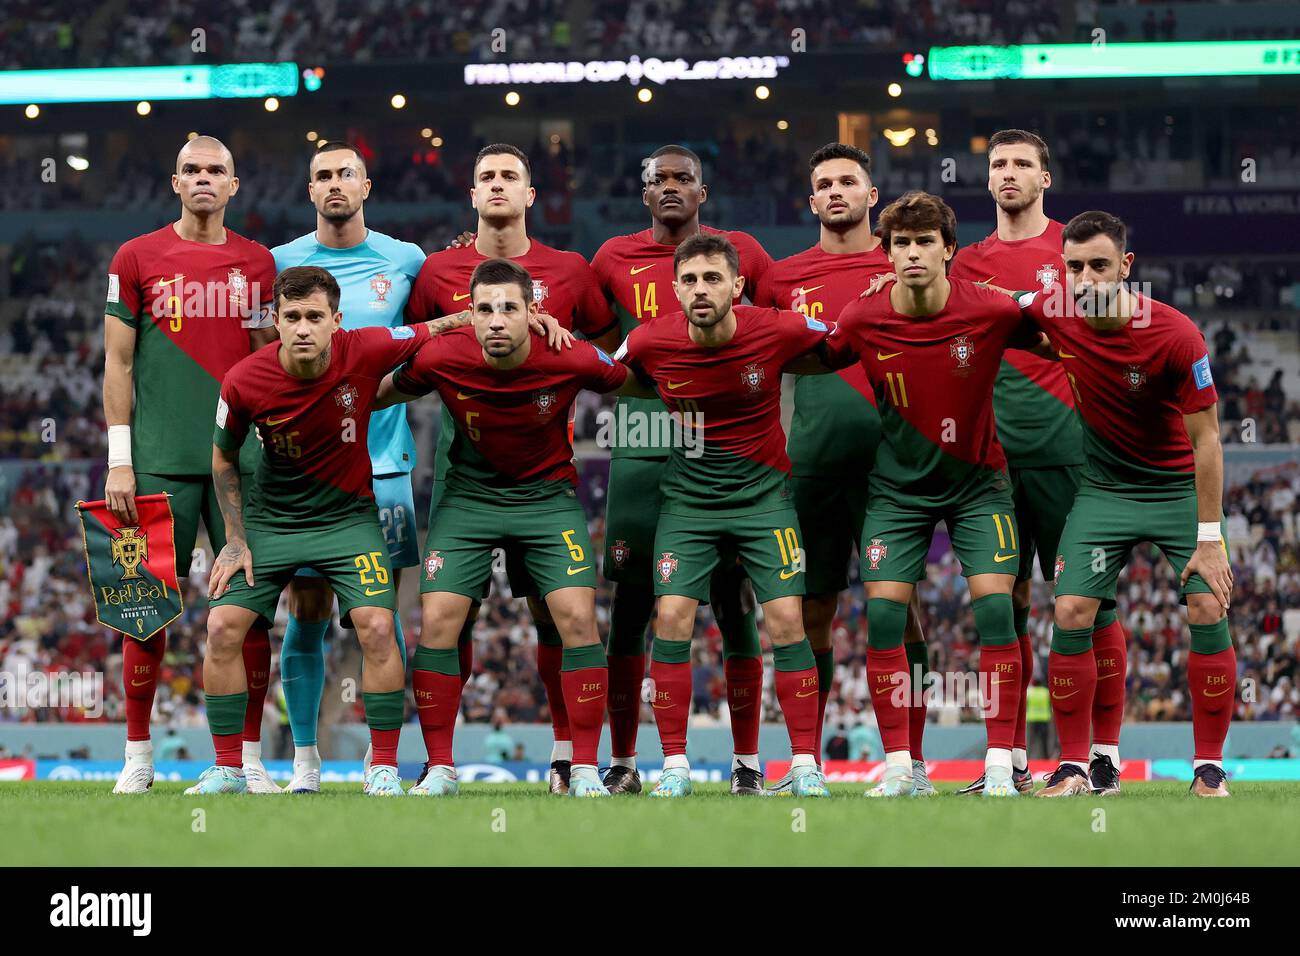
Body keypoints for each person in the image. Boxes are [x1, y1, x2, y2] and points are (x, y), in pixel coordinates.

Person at [378, 258, 647, 797]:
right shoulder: (442, 356)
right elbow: (379, 390)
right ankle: (440, 770)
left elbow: (634, 380)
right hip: (468, 501)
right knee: (437, 621)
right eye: (484, 310)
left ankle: (586, 771)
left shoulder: (567, 355)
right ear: (468, 316)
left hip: (546, 498)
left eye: (509, 309)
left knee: (575, 617)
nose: (496, 320)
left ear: (534, 313)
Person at [818, 191, 1052, 798]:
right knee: (885, 620)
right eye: (901, 243)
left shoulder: (991, 311)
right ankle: (903, 768)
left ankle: (1001, 767)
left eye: (925, 242)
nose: (913, 252)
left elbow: (1058, 333)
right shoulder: (864, 317)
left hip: (979, 486)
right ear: (887, 254)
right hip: (896, 491)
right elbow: (807, 349)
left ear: (949, 250)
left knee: (997, 613)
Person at [406, 143, 621, 795]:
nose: (497, 185)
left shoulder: (572, 270)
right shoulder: (439, 269)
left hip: (546, 479)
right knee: (446, 619)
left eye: (510, 177)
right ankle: (438, 765)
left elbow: (605, 351)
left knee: (560, 617)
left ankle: (571, 759)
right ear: (471, 195)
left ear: (531, 195)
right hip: (464, 480)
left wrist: (563, 339)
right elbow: (414, 350)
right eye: (486, 177)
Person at [190, 265, 433, 796]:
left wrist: (517, 315)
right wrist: (235, 538)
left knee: (375, 624)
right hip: (272, 522)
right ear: (276, 320)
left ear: (336, 321)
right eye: (292, 316)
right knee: (222, 627)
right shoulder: (244, 379)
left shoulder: (365, 349)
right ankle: (229, 768)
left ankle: (385, 767)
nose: (302, 327)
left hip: (348, 521)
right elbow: (223, 458)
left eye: (314, 317)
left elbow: (439, 328)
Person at [1021, 211, 1235, 798]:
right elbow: (984, 307)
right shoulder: (1053, 310)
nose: (1085, 279)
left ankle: (1209, 769)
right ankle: (1077, 766)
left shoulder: (1175, 334)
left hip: (1175, 491)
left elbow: (1208, 440)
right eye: (1073, 268)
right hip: (1104, 492)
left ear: (1126, 267)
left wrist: (1211, 536)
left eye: (1098, 265)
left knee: (1207, 609)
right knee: (1070, 614)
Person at [615, 232, 833, 799]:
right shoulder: (649, 339)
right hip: (687, 504)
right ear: (674, 289)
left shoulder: (777, 327)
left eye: (713, 278)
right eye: (689, 280)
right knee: (671, 618)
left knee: (786, 621)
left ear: (738, 285)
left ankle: (806, 766)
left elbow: (844, 341)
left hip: (765, 500)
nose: (701, 289)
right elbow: (602, 371)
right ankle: (676, 768)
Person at [948, 129, 1127, 796]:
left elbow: (1118, 334)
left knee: (1088, 604)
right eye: (998, 164)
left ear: (1045, 178)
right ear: (986, 179)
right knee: (1005, 608)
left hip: (1072, 454)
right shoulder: (965, 262)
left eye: (1023, 163)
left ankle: (1100, 759)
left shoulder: (1076, 254)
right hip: (991, 461)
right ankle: (1010, 763)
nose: (1009, 173)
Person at [591, 144, 773, 795]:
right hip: (642, 445)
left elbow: (782, 318)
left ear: (703, 191)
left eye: (683, 179)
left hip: (721, 448)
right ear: (644, 193)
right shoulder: (610, 258)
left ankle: (748, 764)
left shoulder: (741, 253)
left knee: (735, 600)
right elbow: (578, 328)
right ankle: (622, 761)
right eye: (658, 180)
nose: (670, 188)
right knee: (634, 604)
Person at [102, 135, 278, 794]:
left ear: (235, 186)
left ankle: (247, 759)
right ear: (175, 182)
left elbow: (268, 361)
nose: (204, 179)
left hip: (240, 462)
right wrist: (120, 459)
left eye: (216, 170)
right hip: (154, 462)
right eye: (192, 170)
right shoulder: (136, 256)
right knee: (142, 610)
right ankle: (138, 756)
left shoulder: (258, 263)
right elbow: (117, 362)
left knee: (248, 613)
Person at [752, 141, 929, 794]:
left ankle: (909, 764)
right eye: (822, 183)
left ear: (871, 195)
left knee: (899, 609)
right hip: (813, 468)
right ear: (810, 200)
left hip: (896, 470)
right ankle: (807, 767)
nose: (834, 192)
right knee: (810, 613)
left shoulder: (909, 263)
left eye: (847, 182)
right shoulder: (780, 277)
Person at [270, 140, 427, 793]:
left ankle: (382, 761)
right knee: (306, 611)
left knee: (377, 618)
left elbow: (427, 346)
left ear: (367, 186)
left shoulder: (407, 261)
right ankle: (304, 762)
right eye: (323, 176)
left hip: (382, 471)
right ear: (310, 191)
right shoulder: (277, 264)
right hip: (304, 476)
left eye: (346, 174)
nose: (335, 184)